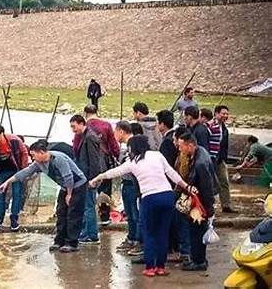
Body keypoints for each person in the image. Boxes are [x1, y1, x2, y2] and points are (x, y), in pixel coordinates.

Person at [90, 135, 194, 277]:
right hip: (167, 196)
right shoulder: (157, 155)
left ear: (133, 148)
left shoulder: (133, 162)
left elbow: (113, 173)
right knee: (163, 233)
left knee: (149, 233)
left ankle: (150, 267)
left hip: (150, 199)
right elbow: (171, 173)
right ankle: (160, 267)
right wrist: (187, 187)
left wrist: (96, 178)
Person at [0, 140, 87, 253]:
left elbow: (69, 177)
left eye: (33, 155)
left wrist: (69, 194)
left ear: (41, 152)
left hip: (77, 185)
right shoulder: (38, 164)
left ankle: (72, 243)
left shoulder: (58, 159)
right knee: (61, 212)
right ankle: (59, 241)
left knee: (73, 214)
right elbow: (25, 172)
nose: (32, 158)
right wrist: (7, 182)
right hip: (65, 187)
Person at [177, 133, 216, 271]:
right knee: (196, 230)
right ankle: (199, 259)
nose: (179, 149)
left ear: (190, 145)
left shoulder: (199, 163)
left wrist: (208, 208)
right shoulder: (201, 153)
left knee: (196, 231)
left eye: (181, 146)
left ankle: (198, 261)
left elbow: (207, 187)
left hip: (200, 203)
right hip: (199, 201)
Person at [157, 110, 191, 263]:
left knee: (180, 221)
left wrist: (177, 188)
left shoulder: (183, 155)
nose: (175, 144)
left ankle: (183, 251)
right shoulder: (183, 153)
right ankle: (182, 250)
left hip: (180, 191)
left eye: (177, 141)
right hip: (179, 190)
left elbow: (179, 174)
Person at [70, 114, 105, 244]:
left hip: (89, 178)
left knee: (88, 206)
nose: (73, 130)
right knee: (87, 205)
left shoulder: (90, 137)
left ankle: (91, 234)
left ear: (81, 123)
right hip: (84, 177)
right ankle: (87, 232)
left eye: (74, 126)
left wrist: (93, 179)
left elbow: (95, 160)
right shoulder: (84, 136)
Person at [113, 121, 143, 256]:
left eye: (115, 131)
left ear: (121, 131)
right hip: (125, 183)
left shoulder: (134, 146)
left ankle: (138, 240)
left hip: (133, 184)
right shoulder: (125, 148)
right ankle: (131, 238)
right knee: (130, 214)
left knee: (135, 214)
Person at [214, 105, 237, 213]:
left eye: (227, 114)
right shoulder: (209, 126)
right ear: (216, 114)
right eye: (223, 113)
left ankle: (226, 205)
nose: (225, 116)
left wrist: (223, 158)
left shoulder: (225, 129)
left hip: (220, 159)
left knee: (224, 181)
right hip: (210, 159)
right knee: (208, 182)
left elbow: (224, 146)